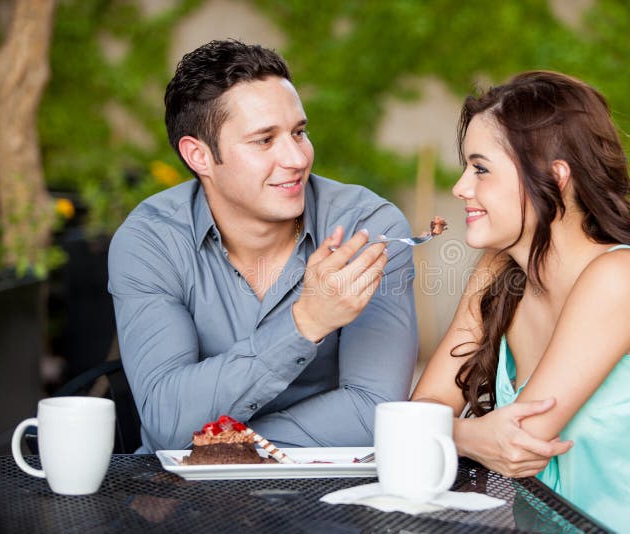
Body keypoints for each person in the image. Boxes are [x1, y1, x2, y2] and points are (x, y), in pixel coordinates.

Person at [411, 71, 630, 533]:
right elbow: (421, 410)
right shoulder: (496, 272)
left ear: (555, 178)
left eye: (480, 168)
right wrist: (471, 435)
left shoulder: (622, 277)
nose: (460, 188)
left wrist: (451, 433)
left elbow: (518, 443)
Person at [108, 40, 418, 453]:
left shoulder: (367, 229)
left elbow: (374, 411)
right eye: (264, 140)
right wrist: (305, 322)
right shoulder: (151, 242)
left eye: (298, 133)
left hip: (329, 496)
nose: (296, 158)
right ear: (198, 155)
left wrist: (223, 443)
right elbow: (167, 421)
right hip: (184, 499)